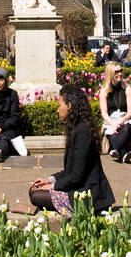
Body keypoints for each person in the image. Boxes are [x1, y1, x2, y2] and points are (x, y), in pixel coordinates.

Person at [28, 84, 115, 215]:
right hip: (79, 187)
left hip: (89, 194)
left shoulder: (83, 131)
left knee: (36, 196)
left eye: (59, 105)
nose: (58, 110)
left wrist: (51, 187)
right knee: (34, 190)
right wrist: (49, 180)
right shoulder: (77, 128)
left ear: (69, 106)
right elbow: (70, 171)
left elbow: (77, 175)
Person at [98, 63, 131, 163]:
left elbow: (130, 111)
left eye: (121, 71)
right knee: (112, 131)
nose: (120, 74)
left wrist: (122, 121)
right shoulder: (104, 91)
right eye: (116, 72)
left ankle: (114, 150)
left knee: (125, 128)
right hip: (111, 121)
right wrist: (112, 124)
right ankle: (123, 152)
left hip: (125, 120)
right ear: (110, 74)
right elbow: (104, 113)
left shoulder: (127, 88)